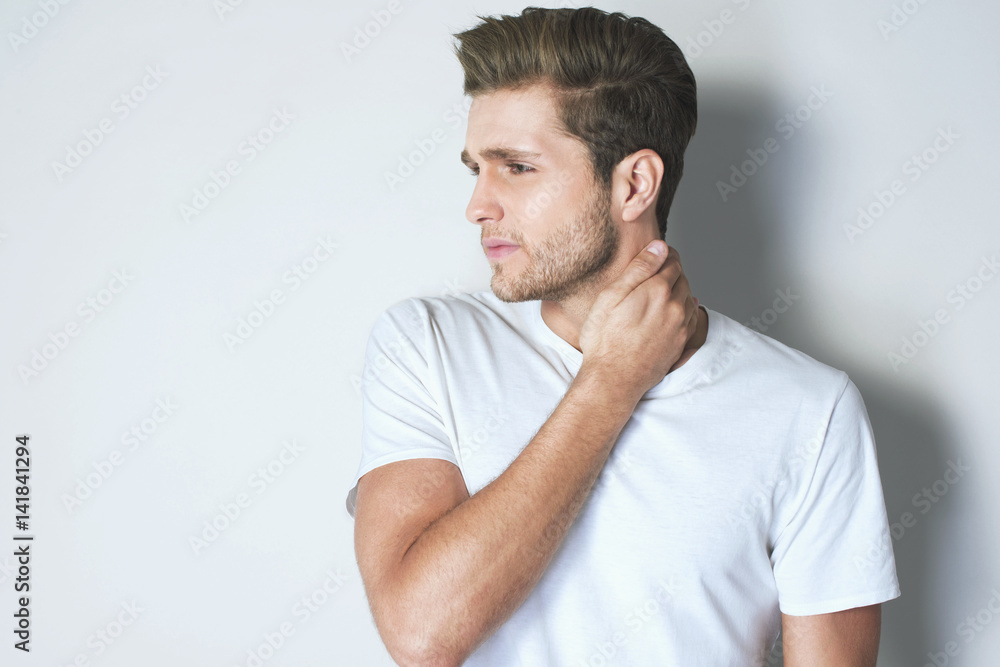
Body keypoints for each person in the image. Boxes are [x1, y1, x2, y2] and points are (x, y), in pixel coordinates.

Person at [347, 6, 900, 665]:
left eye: (516, 167)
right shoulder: (427, 346)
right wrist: (611, 379)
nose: (478, 204)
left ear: (635, 182)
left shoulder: (811, 408)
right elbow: (421, 633)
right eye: (476, 169)